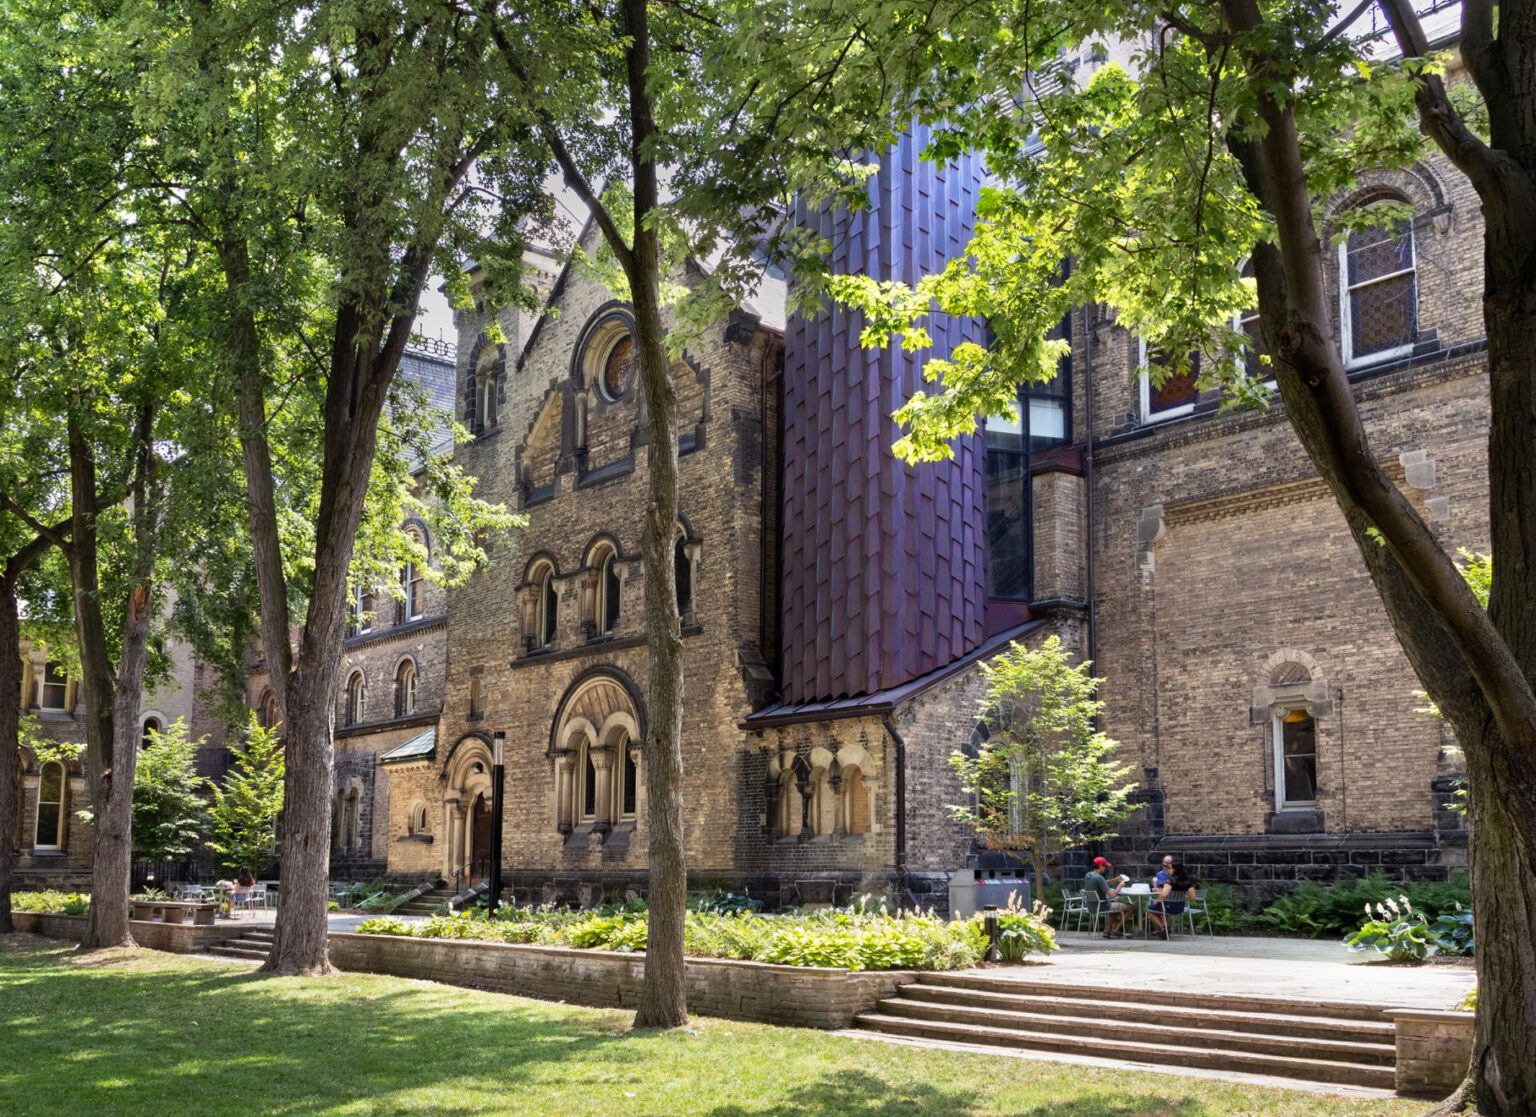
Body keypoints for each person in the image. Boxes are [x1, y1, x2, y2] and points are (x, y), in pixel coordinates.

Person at [1148, 859, 1198, 939]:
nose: (1169, 870)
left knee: (1151, 911)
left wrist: (1157, 901)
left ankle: (1164, 929)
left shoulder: (1170, 881)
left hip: (1168, 907)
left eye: (1170, 868)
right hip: (1180, 908)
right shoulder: (1187, 881)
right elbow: (1192, 897)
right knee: (1161, 909)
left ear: (1175, 870)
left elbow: (1164, 895)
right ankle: (1164, 930)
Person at [1083, 855, 1130, 937]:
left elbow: (1102, 883)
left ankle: (1107, 930)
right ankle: (1115, 930)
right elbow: (1112, 896)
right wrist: (1120, 885)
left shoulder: (1088, 875)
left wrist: (1115, 880)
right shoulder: (1099, 878)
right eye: (1104, 866)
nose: (1105, 868)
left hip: (1091, 906)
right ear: (1100, 866)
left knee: (1116, 907)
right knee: (1131, 907)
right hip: (1103, 906)